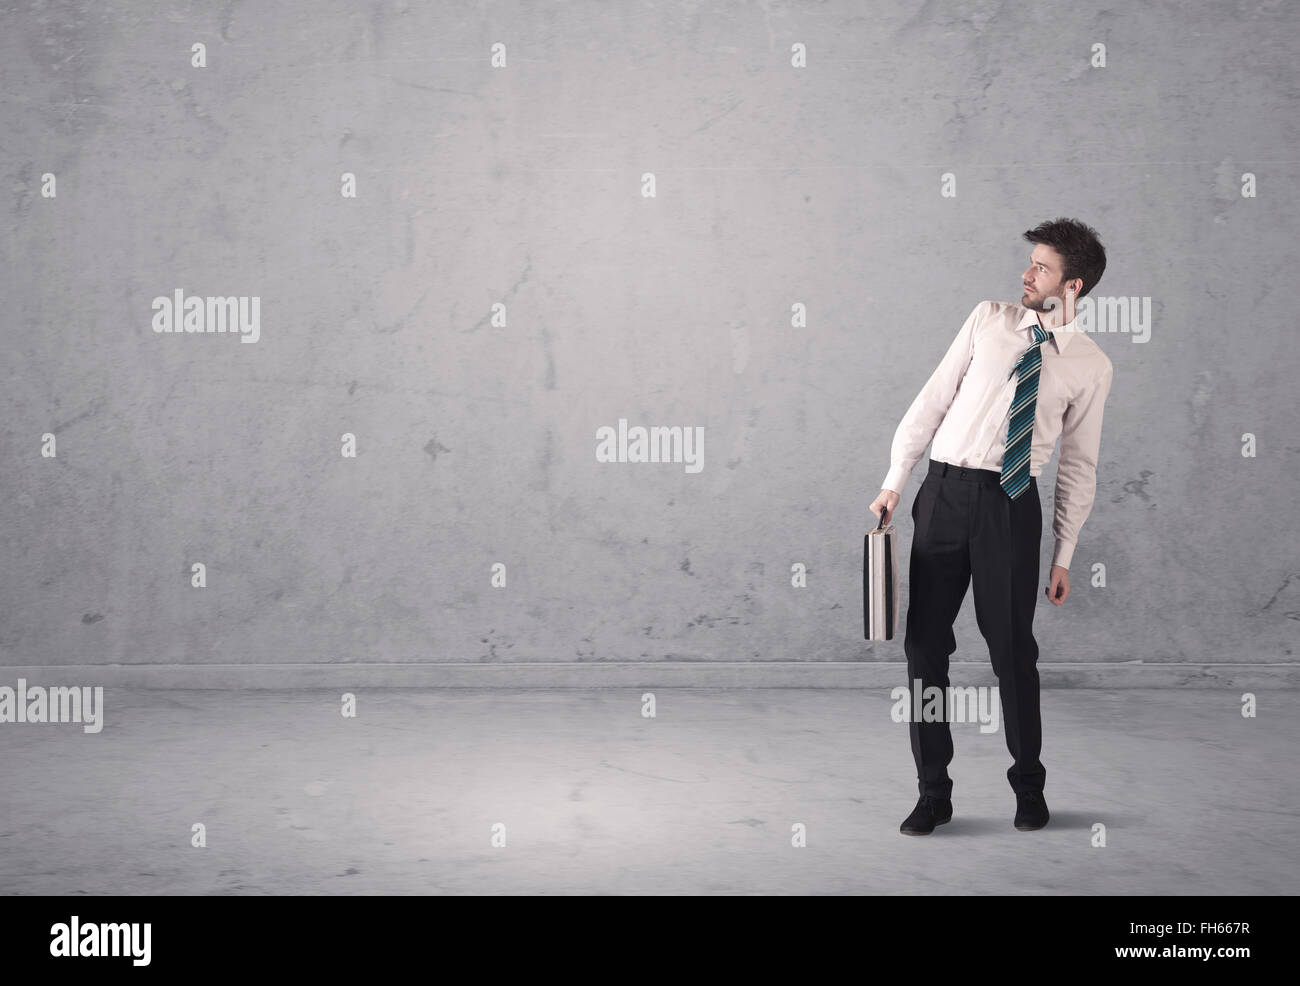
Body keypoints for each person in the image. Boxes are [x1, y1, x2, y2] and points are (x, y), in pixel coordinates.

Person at [869, 218, 1113, 836]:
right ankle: (933, 793)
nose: (1026, 274)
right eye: (1029, 262)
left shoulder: (1089, 365)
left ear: (1072, 285)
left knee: (1012, 653)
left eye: (1041, 267)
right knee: (925, 646)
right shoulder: (988, 320)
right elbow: (932, 399)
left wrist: (1064, 553)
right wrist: (896, 478)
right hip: (945, 494)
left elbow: (1080, 466)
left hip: (1010, 506)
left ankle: (1028, 787)